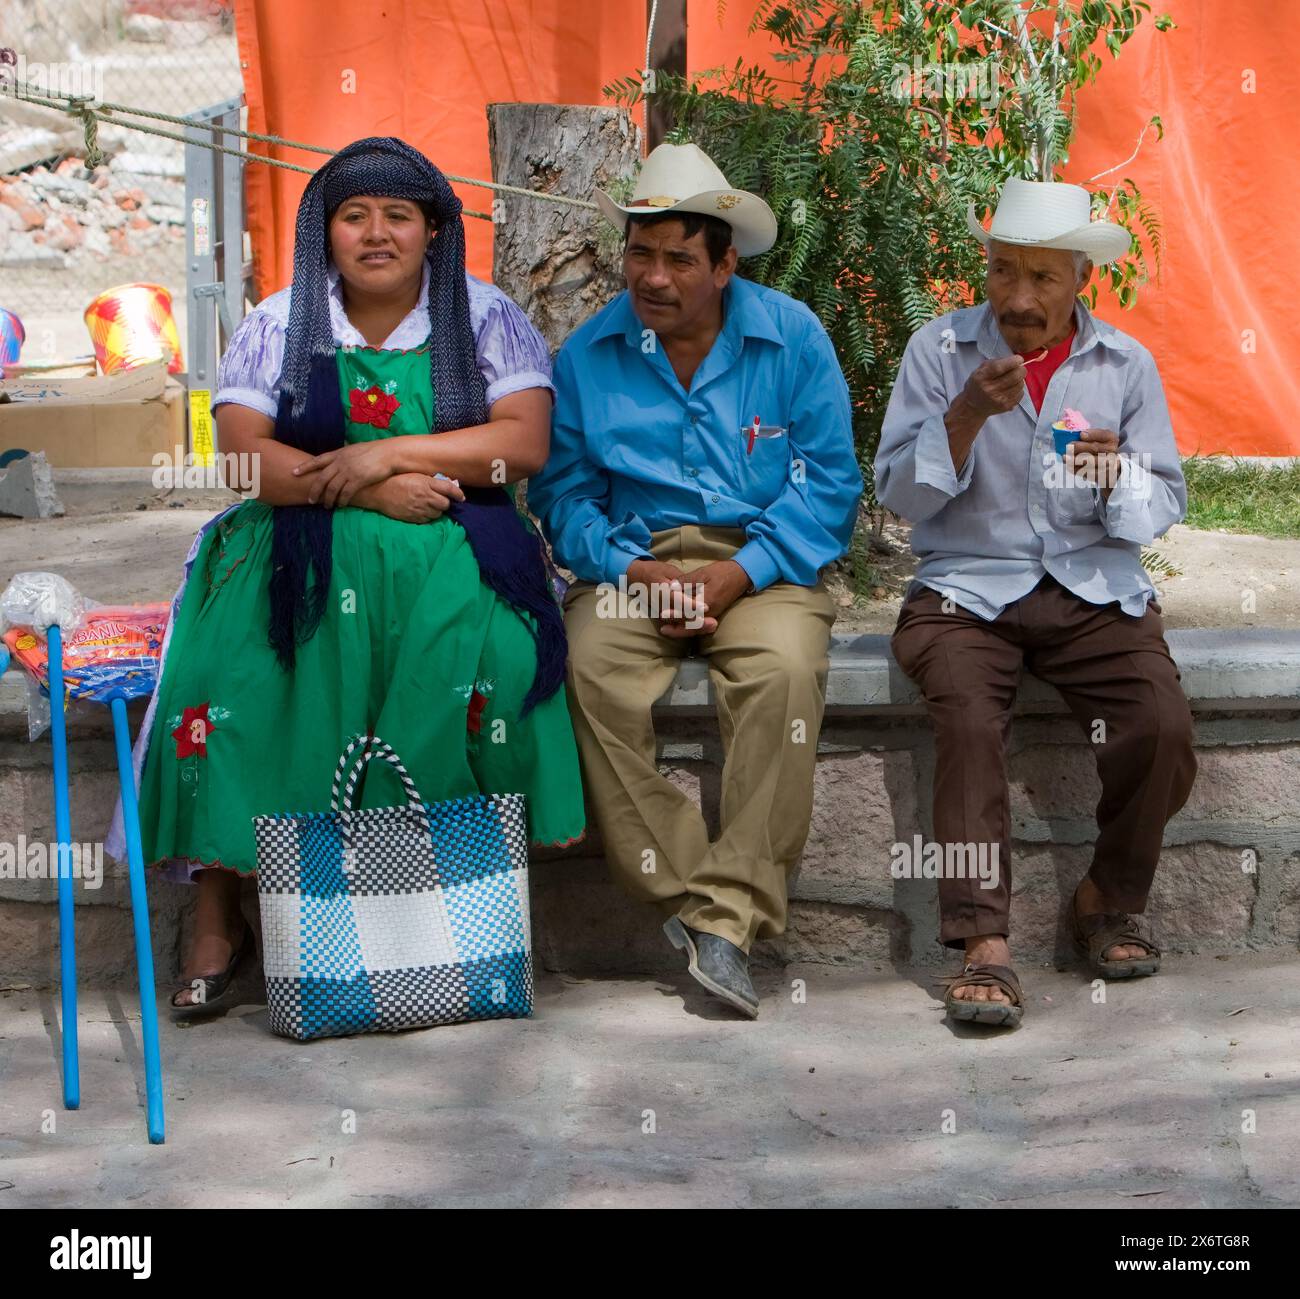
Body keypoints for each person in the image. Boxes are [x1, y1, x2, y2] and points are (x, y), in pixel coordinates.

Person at [108, 136, 586, 1016]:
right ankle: (220, 913)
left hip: (457, 540)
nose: (376, 234)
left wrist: (381, 454)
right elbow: (247, 466)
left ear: (434, 231)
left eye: (398, 216)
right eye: (353, 216)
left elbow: (519, 446)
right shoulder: (280, 322)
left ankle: (422, 923)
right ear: (323, 233)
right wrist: (369, 492)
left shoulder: (484, 317)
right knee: (231, 678)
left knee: (489, 669)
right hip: (295, 546)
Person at [528, 143, 863, 1019]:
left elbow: (829, 484)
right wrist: (627, 567)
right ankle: (708, 908)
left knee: (785, 674)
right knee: (586, 667)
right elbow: (561, 493)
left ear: (725, 264)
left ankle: (722, 918)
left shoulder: (792, 338)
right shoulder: (590, 354)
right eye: (642, 253)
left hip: (763, 562)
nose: (655, 275)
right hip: (630, 561)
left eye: (680, 257)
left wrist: (738, 571)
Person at [875, 177, 1197, 1028]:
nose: (1018, 299)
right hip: (966, 588)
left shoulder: (1124, 365)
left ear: (1079, 280)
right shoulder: (938, 351)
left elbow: (1164, 497)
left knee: (1160, 722)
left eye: (1041, 279)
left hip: (1091, 585)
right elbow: (898, 499)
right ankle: (984, 941)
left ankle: (1107, 895)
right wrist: (964, 418)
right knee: (970, 722)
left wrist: (1112, 473)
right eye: (1003, 273)